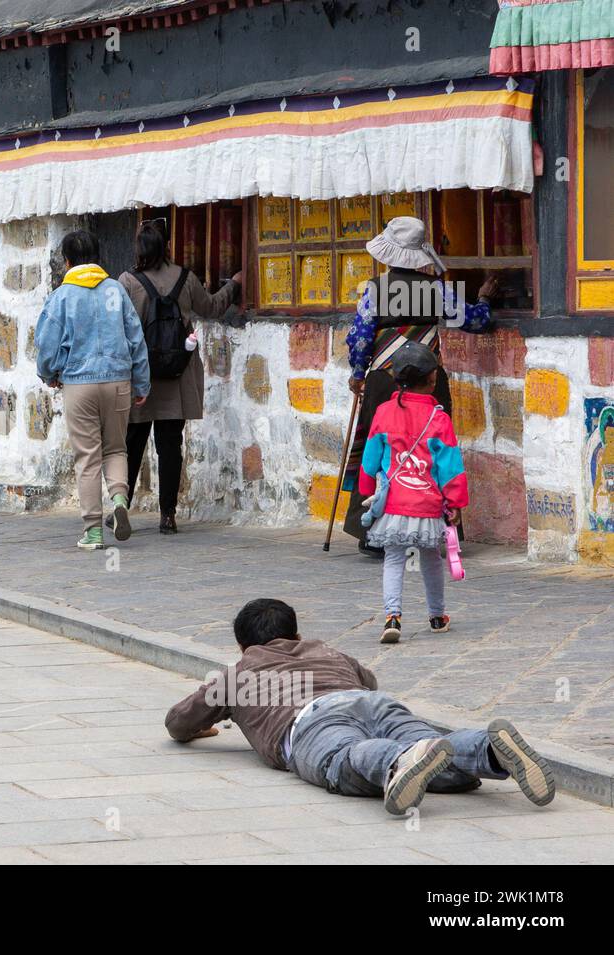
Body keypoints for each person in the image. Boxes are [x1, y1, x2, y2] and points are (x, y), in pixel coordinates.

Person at [164, 598, 555, 816]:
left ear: (242, 648)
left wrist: (201, 727)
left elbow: (178, 721)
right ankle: (488, 749)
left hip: (313, 721)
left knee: (341, 759)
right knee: (436, 750)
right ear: (297, 634)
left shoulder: (240, 674)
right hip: (372, 702)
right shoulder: (324, 649)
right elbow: (368, 680)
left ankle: (399, 761)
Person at [342, 216, 495, 559]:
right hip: (429, 383)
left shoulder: (374, 290)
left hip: (383, 380)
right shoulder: (436, 290)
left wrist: (356, 373)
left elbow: (360, 338)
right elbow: (477, 321)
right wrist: (484, 298)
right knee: (433, 451)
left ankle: (372, 531)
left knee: (378, 450)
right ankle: (437, 528)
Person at [117, 219, 242, 534]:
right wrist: (235, 284)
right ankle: (168, 516)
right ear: (167, 246)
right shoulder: (186, 279)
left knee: (133, 443)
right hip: (178, 372)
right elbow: (212, 307)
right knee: (170, 445)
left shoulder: (127, 282)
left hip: (140, 375)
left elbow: (116, 327)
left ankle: (121, 507)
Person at [36, 230, 150, 550]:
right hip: (118, 382)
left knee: (88, 457)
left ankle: (93, 531)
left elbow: (46, 344)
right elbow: (135, 339)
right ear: (99, 258)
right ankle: (119, 501)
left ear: (68, 261)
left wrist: (50, 374)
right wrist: (141, 381)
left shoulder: (62, 296)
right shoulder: (116, 290)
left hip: (79, 384)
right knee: (116, 448)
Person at [358, 341, 467, 644]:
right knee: (431, 559)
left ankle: (393, 616)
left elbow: (370, 457)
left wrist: (367, 490)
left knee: (393, 560)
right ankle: (436, 615)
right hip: (427, 504)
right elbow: (450, 466)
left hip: (393, 502)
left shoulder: (382, 413)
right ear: (433, 380)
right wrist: (456, 501)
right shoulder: (439, 419)